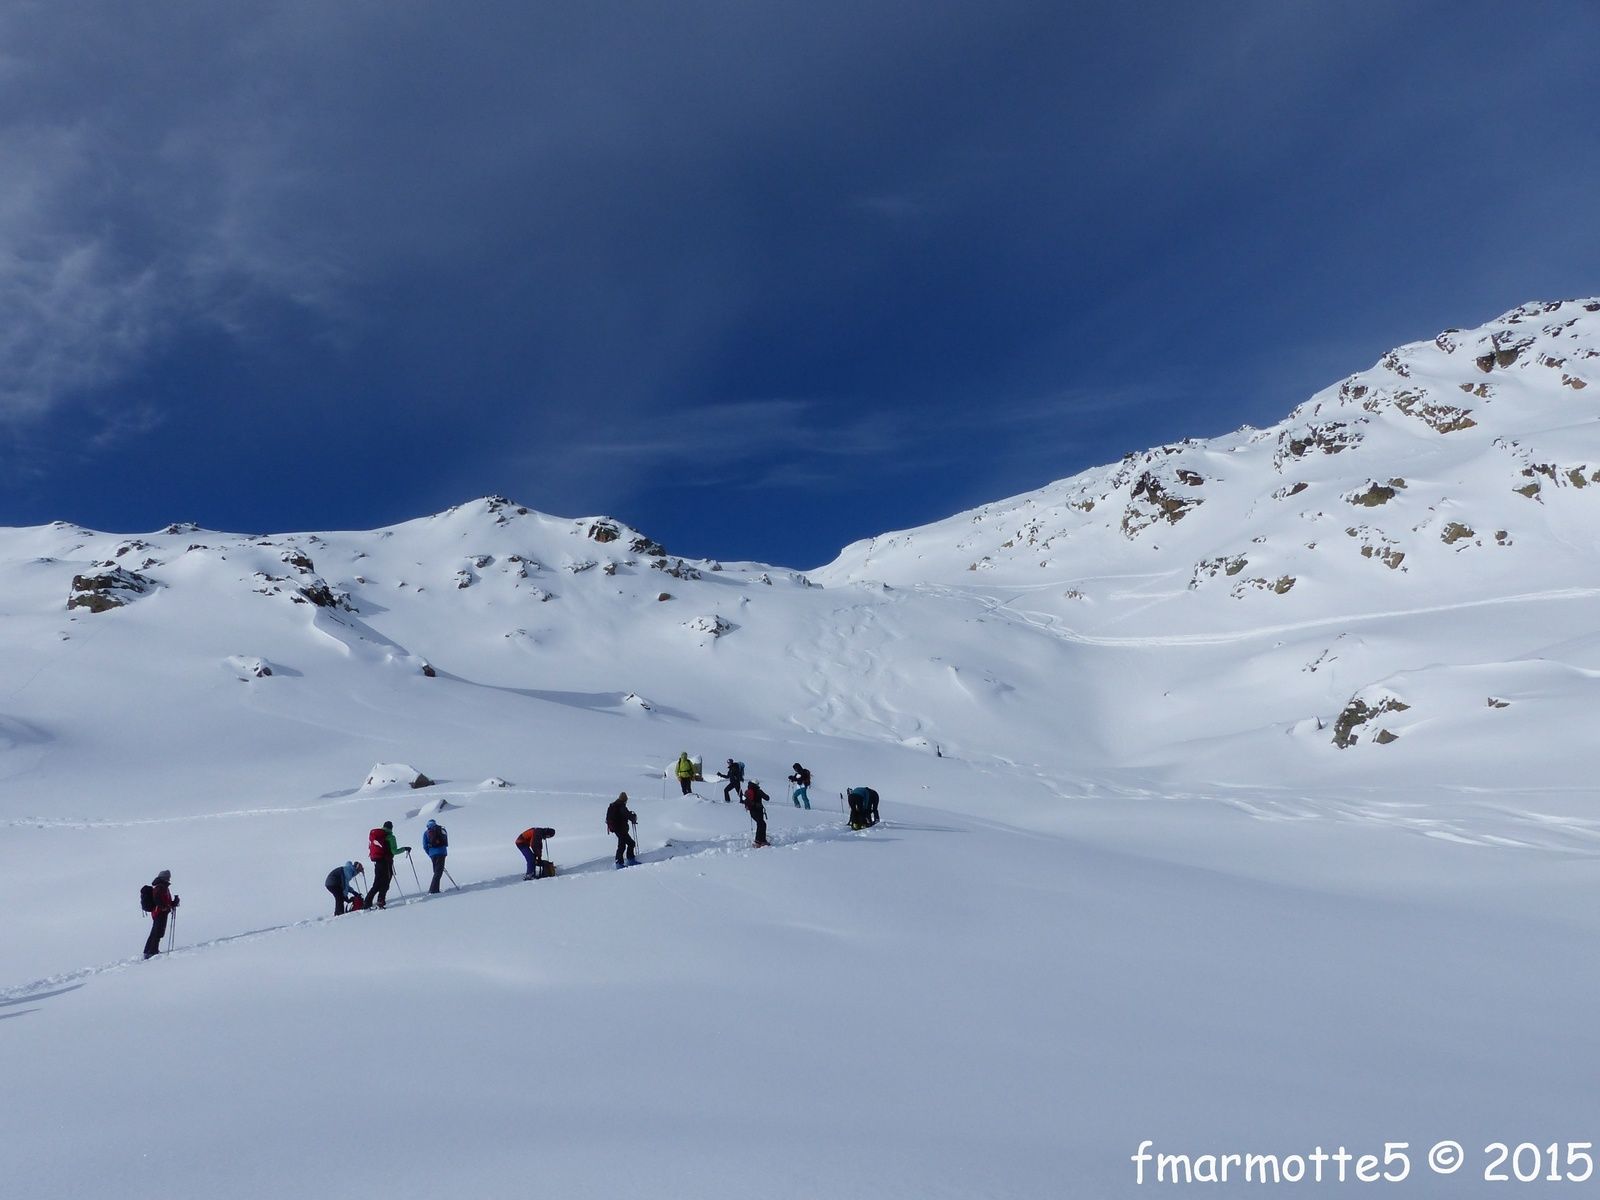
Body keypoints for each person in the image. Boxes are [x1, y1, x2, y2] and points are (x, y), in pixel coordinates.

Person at [365, 820, 409, 909]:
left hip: (377, 863)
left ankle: (367, 902)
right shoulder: (390, 837)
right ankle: (381, 901)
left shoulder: (377, 836)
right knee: (385, 882)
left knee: (377, 883)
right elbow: (394, 851)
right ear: (391, 828)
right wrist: (405, 848)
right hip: (386, 863)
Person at [142, 869, 180, 959]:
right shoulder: (160, 887)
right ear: (165, 877)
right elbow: (157, 899)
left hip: (160, 912)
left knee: (157, 932)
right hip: (159, 912)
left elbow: (164, 900)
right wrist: (164, 907)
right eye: (168, 877)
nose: (169, 878)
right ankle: (151, 951)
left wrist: (173, 903)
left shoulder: (162, 886)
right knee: (157, 932)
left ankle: (151, 950)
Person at [606, 792, 638, 867]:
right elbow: (626, 814)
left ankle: (622, 861)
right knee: (629, 844)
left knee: (623, 844)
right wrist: (633, 817)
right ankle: (626, 861)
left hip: (617, 829)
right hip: (621, 829)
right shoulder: (621, 806)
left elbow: (623, 814)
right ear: (625, 799)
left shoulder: (614, 805)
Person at [422, 819, 449, 893]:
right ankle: (433, 890)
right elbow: (445, 841)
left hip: (433, 854)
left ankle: (435, 889)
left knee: (436, 871)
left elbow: (425, 846)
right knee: (438, 872)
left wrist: (430, 854)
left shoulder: (426, 833)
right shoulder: (441, 830)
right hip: (442, 852)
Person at [742, 780, 770, 848]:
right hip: (758, 811)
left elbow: (744, 800)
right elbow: (767, 798)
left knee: (761, 824)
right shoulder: (758, 791)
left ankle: (761, 840)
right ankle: (758, 841)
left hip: (752, 811)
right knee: (761, 824)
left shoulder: (748, 790)